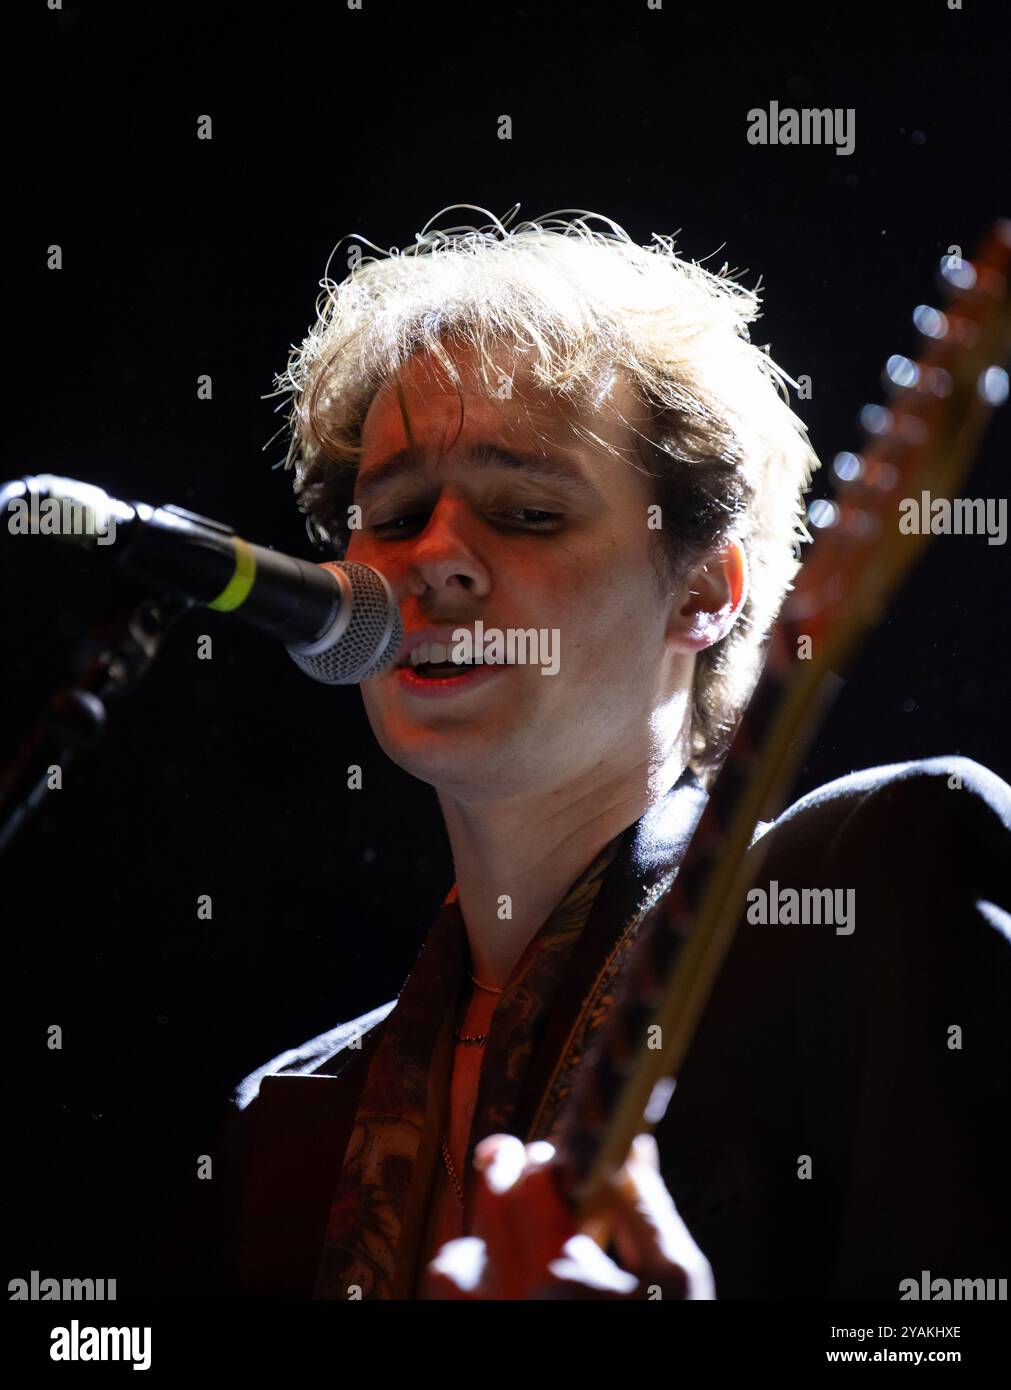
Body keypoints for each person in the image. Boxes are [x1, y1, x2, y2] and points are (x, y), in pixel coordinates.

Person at [161, 209, 1010, 1301]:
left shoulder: (871, 887)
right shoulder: (281, 1129)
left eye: (527, 511)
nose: (435, 558)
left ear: (703, 590)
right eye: (398, 513)